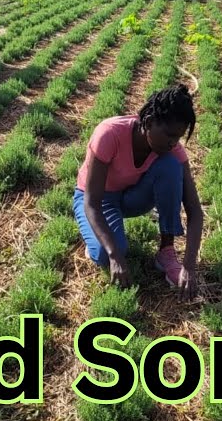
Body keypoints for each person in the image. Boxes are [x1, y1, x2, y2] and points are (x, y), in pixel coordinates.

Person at [73, 84, 205, 299]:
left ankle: (166, 250)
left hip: (132, 196)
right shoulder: (110, 134)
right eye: (169, 135)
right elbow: (92, 202)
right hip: (100, 198)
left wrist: (189, 267)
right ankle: (96, 240)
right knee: (105, 255)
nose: (173, 143)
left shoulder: (172, 150)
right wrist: (115, 255)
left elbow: (195, 210)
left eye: (178, 138)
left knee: (171, 167)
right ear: (150, 121)